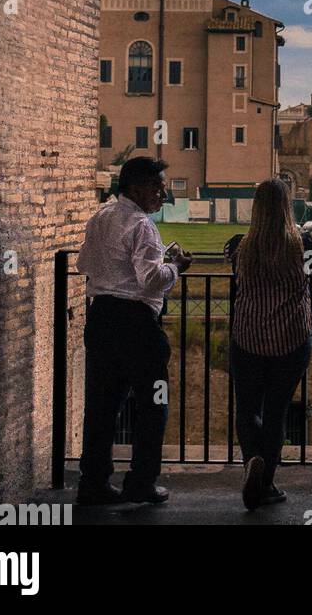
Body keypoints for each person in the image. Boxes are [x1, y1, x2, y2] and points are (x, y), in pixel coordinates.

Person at [76, 156, 192, 506]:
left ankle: (93, 482)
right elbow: (153, 281)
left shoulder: (100, 216)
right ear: (136, 187)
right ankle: (141, 482)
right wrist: (176, 266)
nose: (163, 194)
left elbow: (83, 264)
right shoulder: (142, 225)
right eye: (157, 186)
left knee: (101, 406)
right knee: (153, 404)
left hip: (101, 318)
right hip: (137, 326)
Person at [224, 178, 312, 510]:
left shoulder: (239, 246)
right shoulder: (304, 245)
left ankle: (251, 461)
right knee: (276, 411)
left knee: (247, 409)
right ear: (288, 206)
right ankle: (266, 481)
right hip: (291, 339)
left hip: (248, 337)